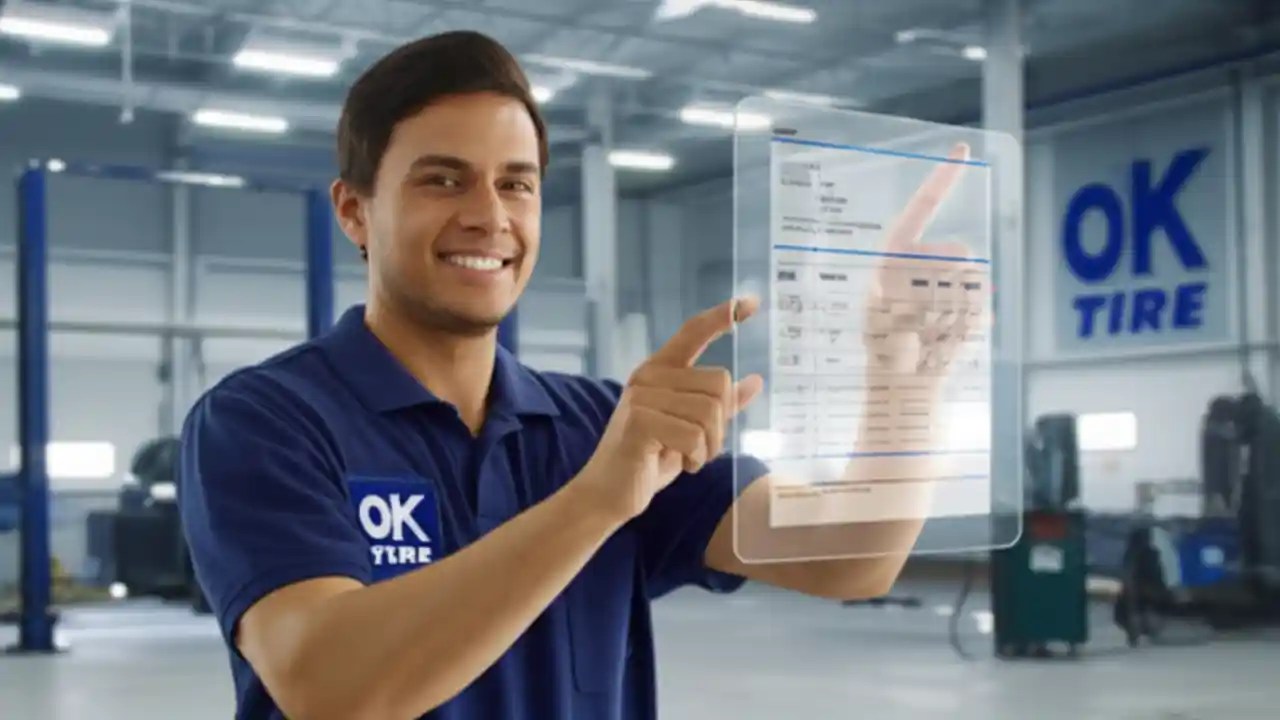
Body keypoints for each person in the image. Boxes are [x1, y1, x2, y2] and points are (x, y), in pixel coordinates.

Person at [179, 29, 973, 720]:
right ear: (355, 210)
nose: (490, 215)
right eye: (443, 179)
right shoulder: (266, 422)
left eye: (516, 183)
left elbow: (852, 556)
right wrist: (597, 499)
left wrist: (906, 379)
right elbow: (332, 688)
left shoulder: (597, 425)